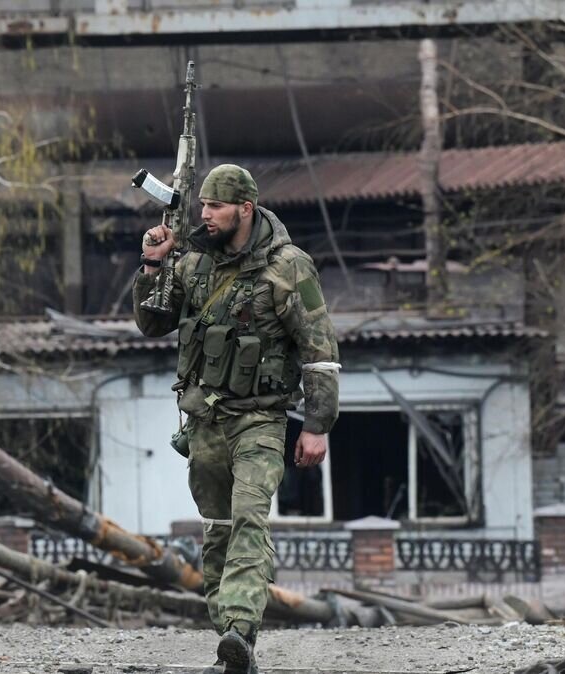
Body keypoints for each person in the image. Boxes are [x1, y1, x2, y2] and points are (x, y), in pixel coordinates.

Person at [133, 165, 340, 674]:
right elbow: (152, 323)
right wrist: (154, 265)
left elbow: (320, 351)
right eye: (203, 205)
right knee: (219, 531)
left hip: (261, 420)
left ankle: (240, 627)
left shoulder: (290, 267)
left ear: (244, 209)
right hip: (205, 422)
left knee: (250, 517)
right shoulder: (194, 262)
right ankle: (232, 646)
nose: (205, 214)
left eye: (216, 206)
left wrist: (317, 425)